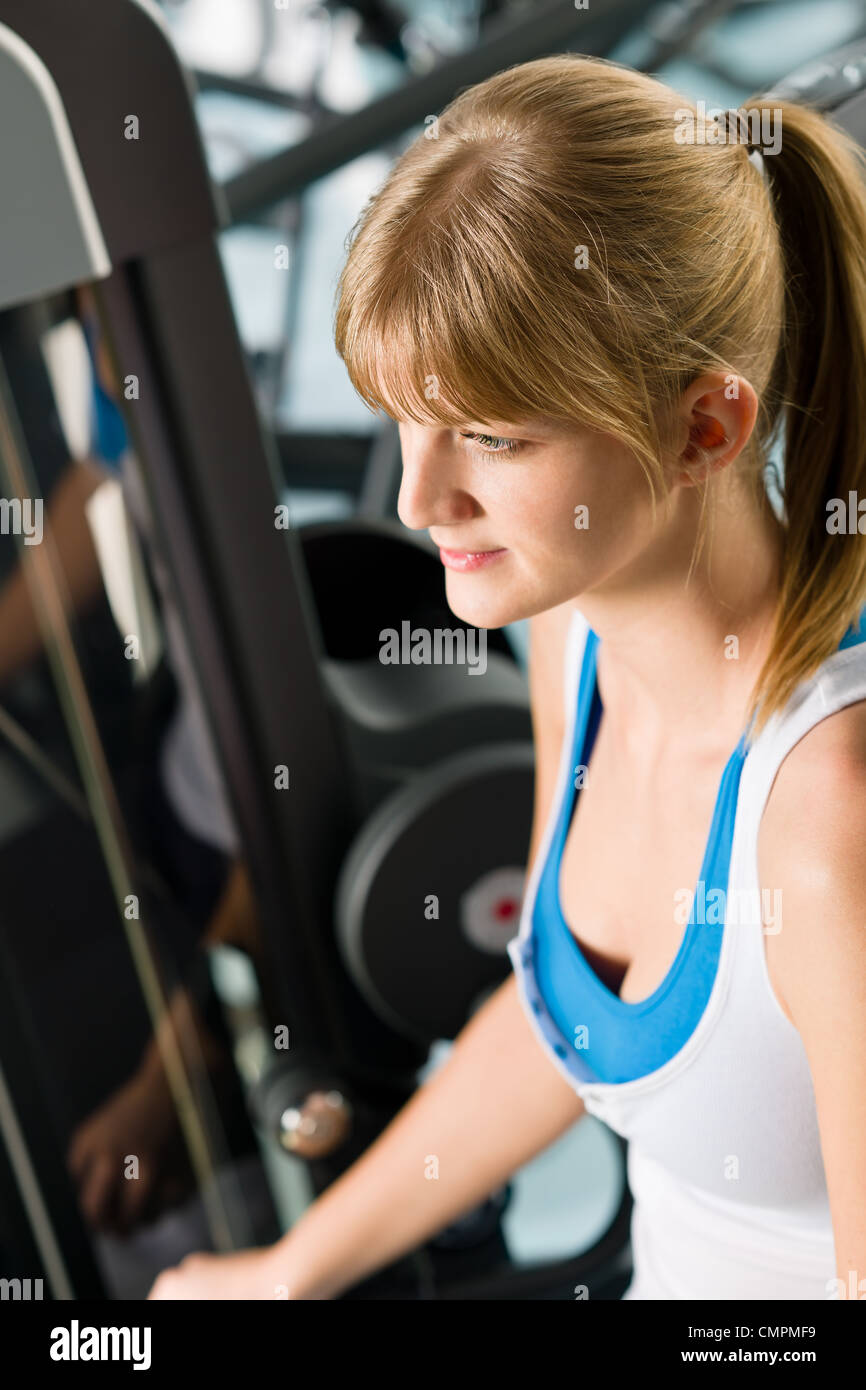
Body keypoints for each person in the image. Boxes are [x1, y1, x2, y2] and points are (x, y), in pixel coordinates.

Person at [148, 54, 866, 1300]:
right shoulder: (572, 634)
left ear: (705, 427)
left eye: (491, 435)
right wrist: (288, 1274)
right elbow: (557, 1020)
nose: (422, 502)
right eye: (404, 423)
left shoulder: (826, 824)